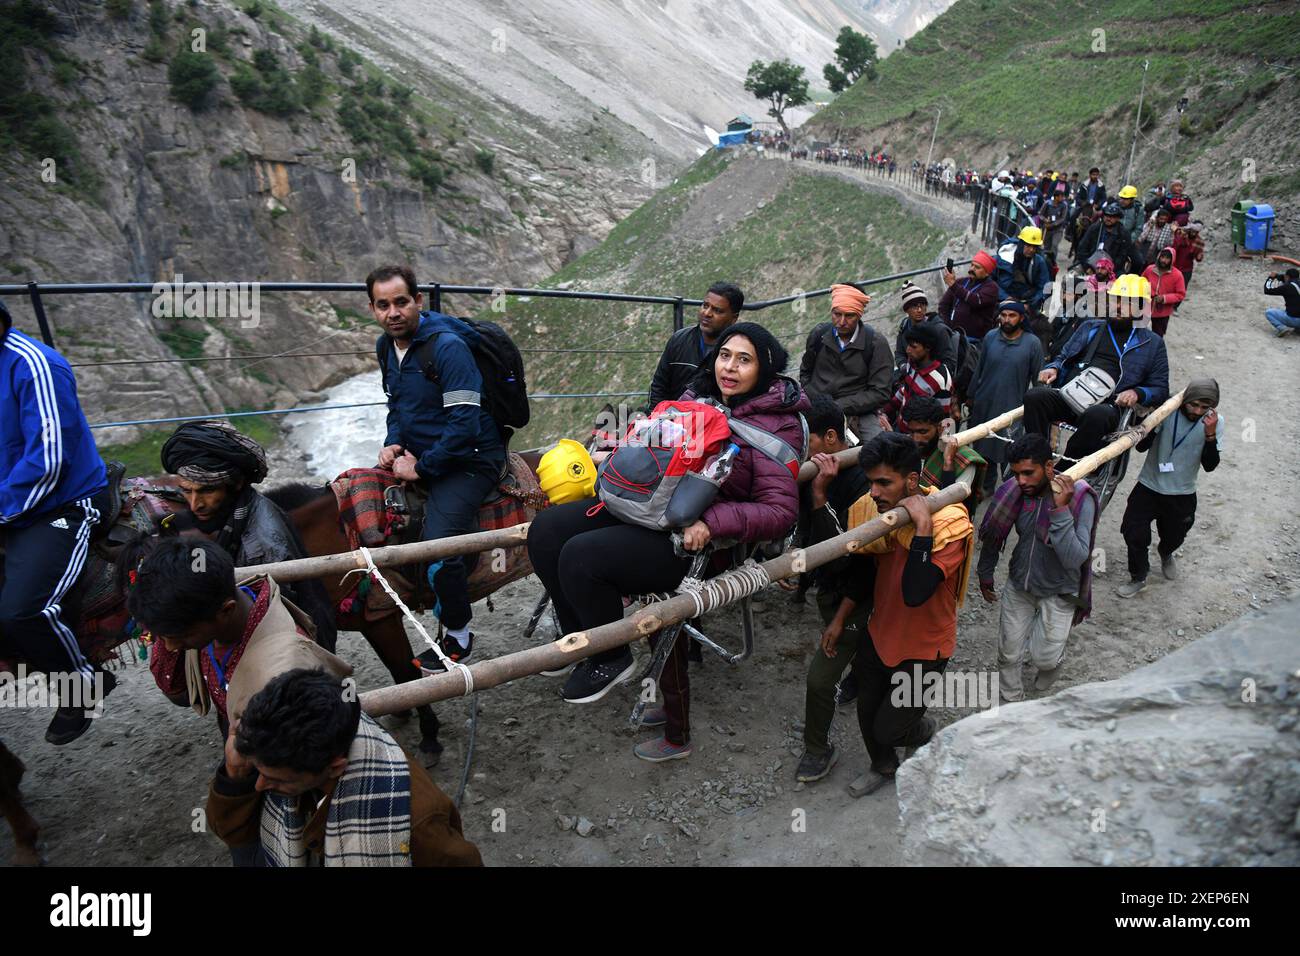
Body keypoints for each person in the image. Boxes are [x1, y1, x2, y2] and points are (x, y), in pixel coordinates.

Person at [527, 322, 808, 761]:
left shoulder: (778, 426)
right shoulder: (694, 399)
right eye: (725, 355)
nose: (729, 367)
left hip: (698, 544)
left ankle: (612, 656)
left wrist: (712, 521)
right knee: (547, 534)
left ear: (766, 369)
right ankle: (584, 636)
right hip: (647, 510)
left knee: (582, 558)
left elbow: (780, 512)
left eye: (744, 359)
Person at [125, 537, 352, 866]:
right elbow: (174, 681)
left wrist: (237, 775)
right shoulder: (216, 617)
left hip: (283, 785)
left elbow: (301, 764)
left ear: (225, 612)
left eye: (180, 636)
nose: (172, 648)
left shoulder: (289, 671)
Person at [821, 432, 974, 797]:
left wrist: (922, 528)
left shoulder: (948, 526)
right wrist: (840, 618)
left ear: (911, 481)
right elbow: (863, 575)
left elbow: (916, 592)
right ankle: (884, 766)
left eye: (883, 482)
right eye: (871, 481)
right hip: (880, 636)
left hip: (925, 649)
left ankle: (923, 730)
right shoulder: (879, 517)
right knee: (866, 713)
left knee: (889, 728)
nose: (873, 492)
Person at [368, 264, 505, 669]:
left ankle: (459, 632)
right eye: (383, 305)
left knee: (438, 545)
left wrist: (422, 469)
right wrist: (394, 440)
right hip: (419, 452)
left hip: (471, 458)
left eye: (401, 302)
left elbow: (464, 423)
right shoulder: (384, 347)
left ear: (418, 302)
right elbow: (397, 403)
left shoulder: (447, 347)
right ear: (373, 308)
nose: (393, 312)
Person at [207, 668, 483, 867]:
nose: (260, 786)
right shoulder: (271, 750)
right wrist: (235, 774)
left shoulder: (417, 825)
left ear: (335, 767)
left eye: (274, 780)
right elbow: (235, 835)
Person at [0, 300, 114, 745]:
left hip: (60, 502)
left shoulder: (33, 365)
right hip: (10, 500)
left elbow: (48, 460)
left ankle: (83, 686)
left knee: (22, 609)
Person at [160, 420, 337, 652]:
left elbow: (275, 621)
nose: (195, 504)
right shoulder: (236, 512)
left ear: (236, 484)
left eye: (207, 491)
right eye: (187, 490)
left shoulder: (263, 546)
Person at [976, 433, 1099, 701]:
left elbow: (1074, 558)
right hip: (1020, 584)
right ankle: (1012, 701)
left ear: (1049, 466)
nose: (1021, 481)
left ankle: (1053, 660)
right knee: (1008, 653)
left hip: (1060, 591)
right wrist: (985, 572)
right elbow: (995, 532)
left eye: (1029, 473)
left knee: (1045, 658)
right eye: (1017, 473)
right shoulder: (1013, 490)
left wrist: (1060, 510)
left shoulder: (1079, 497)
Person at [794, 393, 874, 784]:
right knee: (860, 654)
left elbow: (853, 559)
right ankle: (859, 674)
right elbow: (806, 532)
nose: (798, 449)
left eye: (804, 440)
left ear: (829, 438)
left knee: (820, 678)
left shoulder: (863, 484)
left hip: (857, 595)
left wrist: (841, 619)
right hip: (831, 588)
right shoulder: (812, 471)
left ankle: (817, 750)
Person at [1023, 275, 1169, 462]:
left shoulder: (1152, 343)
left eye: (1127, 302)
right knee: (1034, 397)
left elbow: (1160, 388)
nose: (1118, 306)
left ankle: (1066, 468)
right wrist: (1054, 368)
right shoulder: (1091, 327)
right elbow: (1063, 356)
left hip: (1109, 407)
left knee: (1097, 415)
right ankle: (1039, 458)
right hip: (1074, 395)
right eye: (1116, 300)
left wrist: (1138, 393)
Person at [1118, 379, 1221, 598]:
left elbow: (1210, 466)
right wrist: (1155, 422)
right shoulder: (1167, 411)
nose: (1197, 411)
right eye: (1194, 405)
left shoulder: (1214, 422)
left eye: (1204, 407)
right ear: (1186, 400)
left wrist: (1210, 435)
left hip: (1182, 493)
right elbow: (1141, 447)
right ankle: (1138, 576)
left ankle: (1166, 553)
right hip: (1149, 485)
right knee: (1133, 531)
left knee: (1175, 535)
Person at [799, 283, 893, 441]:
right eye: (837, 314)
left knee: (879, 449)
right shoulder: (819, 335)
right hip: (816, 407)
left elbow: (880, 392)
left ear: (859, 315)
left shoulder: (875, 343)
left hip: (858, 412)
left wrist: (839, 406)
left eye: (849, 316)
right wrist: (816, 399)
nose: (841, 321)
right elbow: (805, 372)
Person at [968, 300, 1044, 495]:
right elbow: (980, 369)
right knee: (984, 447)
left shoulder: (1032, 343)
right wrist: (971, 396)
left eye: (1012, 316)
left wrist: (1040, 410)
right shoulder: (991, 337)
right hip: (985, 404)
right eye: (1004, 315)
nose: (1007, 319)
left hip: (1013, 408)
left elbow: (1039, 381)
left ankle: (1011, 493)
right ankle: (986, 488)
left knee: (1011, 451)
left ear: (1021, 318)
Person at [647, 282, 743, 408]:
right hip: (672, 421)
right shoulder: (679, 340)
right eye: (705, 305)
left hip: (712, 423)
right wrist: (656, 418)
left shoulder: (738, 352)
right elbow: (659, 386)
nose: (707, 313)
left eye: (717, 310)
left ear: (733, 318)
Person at [900, 395, 987, 499]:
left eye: (923, 432)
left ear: (941, 428)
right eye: (911, 432)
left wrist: (948, 463)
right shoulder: (906, 449)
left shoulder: (964, 460)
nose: (916, 439)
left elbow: (952, 503)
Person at [882, 323, 954, 424]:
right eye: (908, 345)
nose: (907, 350)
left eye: (913, 347)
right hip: (901, 425)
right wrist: (885, 411)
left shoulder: (941, 382)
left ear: (928, 348)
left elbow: (941, 420)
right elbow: (905, 390)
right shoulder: (912, 363)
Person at [894, 280, 959, 371]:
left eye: (923, 305)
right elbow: (900, 353)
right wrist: (904, 367)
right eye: (914, 306)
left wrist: (929, 375)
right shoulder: (904, 326)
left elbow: (949, 362)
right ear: (906, 310)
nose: (920, 310)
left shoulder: (939, 329)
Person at [937, 250, 1000, 343]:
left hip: (975, 339)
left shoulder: (991, 287)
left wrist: (953, 285)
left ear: (987, 272)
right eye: (972, 265)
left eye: (977, 267)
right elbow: (943, 305)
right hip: (953, 335)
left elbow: (976, 300)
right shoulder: (961, 282)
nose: (972, 269)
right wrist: (947, 326)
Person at [1073, 202, 1143, 274]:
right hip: (1090, 265)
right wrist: (1087, 267)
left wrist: (1107, 270)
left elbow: (1122, 257)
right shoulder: (1094, 229)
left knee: (1122, 281)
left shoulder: (1124, 234)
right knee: (1070, 278)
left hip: (1112, 269)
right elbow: (1082, 249)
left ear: (1118, 218)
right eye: (1106, 216)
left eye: (1112, 217)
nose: (1108, 219)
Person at [995, 226, 1051, 315]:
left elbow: (1045, 287)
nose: (1031, 249)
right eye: (1028, 245)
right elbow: (991, 280)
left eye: (1034, 246)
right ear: (1021, 243)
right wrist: (1005, 297)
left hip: (1027, 302)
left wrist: (1030, 305)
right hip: (1002, 298)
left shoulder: (1039, 262)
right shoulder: (1004, 257)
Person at [1141, 246, 1186, 338]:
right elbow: (1141, 282)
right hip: (1145, 307)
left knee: (1157, 336)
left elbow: (1180, 294)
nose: (1164, 260)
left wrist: (1164, 298)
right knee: (1139, 332)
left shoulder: (1177, 275)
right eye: (1162, 257)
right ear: (1158, 257)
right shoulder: (1149, 269)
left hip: (1162, 312)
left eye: (1167, 258)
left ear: (1172, 260)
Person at [1263, 269, 1300, 337]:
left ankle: (1281, 328)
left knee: (1269, 312)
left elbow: (1267, 290)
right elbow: (1289, 282)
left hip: (1293, 319)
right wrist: (1279, 276)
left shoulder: (1287, 287)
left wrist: (1271, 278)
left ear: (1287, 277)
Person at [1040, 183, 1071, 263]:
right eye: (1061, 196)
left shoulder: (1064, 205)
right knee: (1046, 246)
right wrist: (1045, 220)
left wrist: (1053, 224)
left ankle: (1052, 261)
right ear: (1056, 197)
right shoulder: (1047, 203)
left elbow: (1062, 218)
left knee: (1054, 245)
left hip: (1058, 229)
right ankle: (1044, 260)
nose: (1062, 198)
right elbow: (1040, 214)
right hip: (1047, 228)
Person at [1172, 220, 1205, 290]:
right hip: (1174, 266)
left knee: (1181, 289)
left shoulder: (1199, 241)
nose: (1194, 232)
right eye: (1193, 230)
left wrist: (1199, 257)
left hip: (1187, 269)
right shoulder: (1180, 234)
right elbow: (1173, 248)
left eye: (1196, 231)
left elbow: (1199, 256)